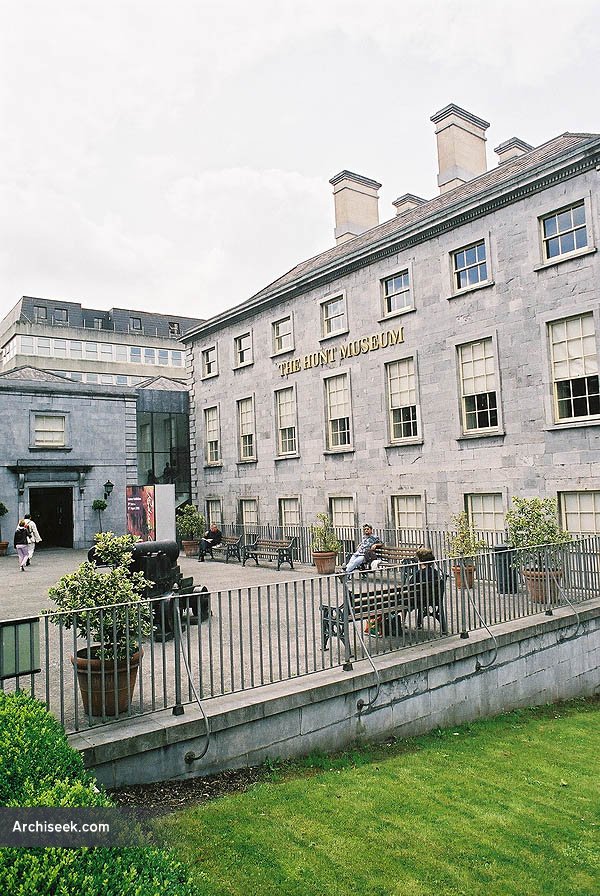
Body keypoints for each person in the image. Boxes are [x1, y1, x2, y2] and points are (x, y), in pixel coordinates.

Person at [406, 547, 447, 633]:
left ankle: (402, 623)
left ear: (420, 561)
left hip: (417, 600)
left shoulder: (418, 574)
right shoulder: (435, 573)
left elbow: (409, 587)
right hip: (434, 599)